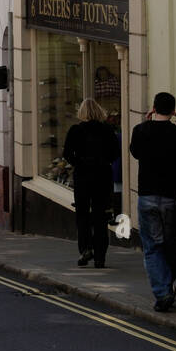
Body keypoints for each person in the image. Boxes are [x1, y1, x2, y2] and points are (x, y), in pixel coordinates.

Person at [130, 92, 176, 310]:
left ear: (153, 108)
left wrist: (145, 122)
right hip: (171, 196)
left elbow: (135, 152)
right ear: (173, 111)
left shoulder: (141, 130)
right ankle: (173, 285)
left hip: (148, 196)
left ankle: (162, 293)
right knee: (171, 244)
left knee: (152, 247)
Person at [63, 99, 120, 269]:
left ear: (82, 113)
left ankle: (85, 248)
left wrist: (78, 162)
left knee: (82, 214)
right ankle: (100, 257)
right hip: (102, 175)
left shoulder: (76, 130)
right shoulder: (107, 130)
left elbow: (67, 153)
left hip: (83, 176)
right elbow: (115, 153)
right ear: (99, 111)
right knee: (100, 215)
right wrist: (104, 162)